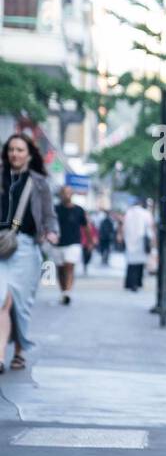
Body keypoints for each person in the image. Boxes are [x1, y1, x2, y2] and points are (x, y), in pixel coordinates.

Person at [0, 133, 58, 374]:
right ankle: (1, 355)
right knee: (3, 300)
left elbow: (49, 215)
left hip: (25, 248)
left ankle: (20, 351)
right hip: (1, 246)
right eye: (11, 149)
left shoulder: (39, 183)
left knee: (19, 304)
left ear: (29, 154)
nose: (15, 154)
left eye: (20, 150)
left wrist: (52, 232)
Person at [53, 184, 87, 304]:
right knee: (60, 269)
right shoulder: (55, 209)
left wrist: (90, 242)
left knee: (69, 266)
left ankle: (68, 292)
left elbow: (86, 226)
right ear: (60, 194)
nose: (66, 195)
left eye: (69, 192)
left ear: (72, 194)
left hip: (74, 243)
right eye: (64, 192)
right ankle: (63, 292)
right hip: (57, 243)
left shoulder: (79, 210)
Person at [122, 199, 151, 291]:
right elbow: (150, 228)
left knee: (131, 263)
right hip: (141, 241)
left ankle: (129, 283)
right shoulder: (146, 213)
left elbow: (123, 227)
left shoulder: (128, 213)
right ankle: (137, 283)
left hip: (129, 241)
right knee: (139, 264)